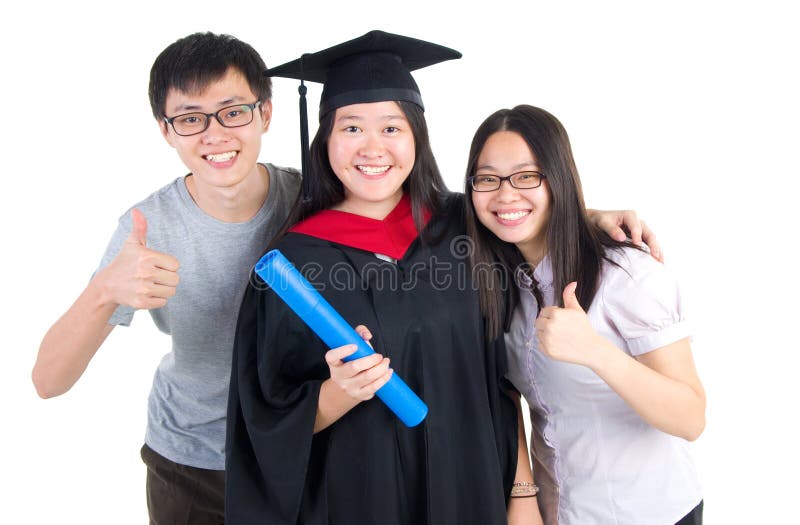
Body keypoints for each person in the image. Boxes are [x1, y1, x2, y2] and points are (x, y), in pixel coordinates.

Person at [225, 31, 657, 525]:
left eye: (391, 128)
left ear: (416, 137)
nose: (372, 147)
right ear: (325, 139)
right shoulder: (290, 264)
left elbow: (501, 374)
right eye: (350, 128)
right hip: (358, 501)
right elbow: (263, 423)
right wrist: (339, 391)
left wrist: (590, 216)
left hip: (472, 492)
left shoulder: (466, 228)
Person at [32, 32, 301, 523]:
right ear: (166, 131)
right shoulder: (147, 228)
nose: (215, 135)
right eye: (191, 118)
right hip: (192, 462)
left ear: (265, 113)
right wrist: (104, 291)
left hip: (300, 444)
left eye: (233, 110)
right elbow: (48, 381)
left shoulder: (309, 201)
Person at [464, 104, 705, 525]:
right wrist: (524, 496)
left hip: (647, 513)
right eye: (488, 179)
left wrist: (595, 351)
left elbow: (691, 418)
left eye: (526, 176)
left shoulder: (627, 276)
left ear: (558, 177)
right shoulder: (501, 282)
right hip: (560, 513)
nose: (505, 194)